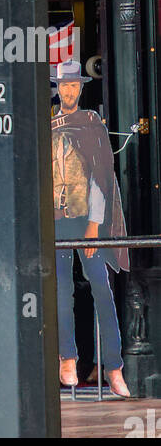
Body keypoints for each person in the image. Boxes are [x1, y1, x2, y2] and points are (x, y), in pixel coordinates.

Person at [51, 59, 130, 397]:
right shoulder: (48, 126)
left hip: (87, 220)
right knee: (60, 291)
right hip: (55, 220)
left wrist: (95, 225)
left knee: (102, 289)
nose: (69, 90)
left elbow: (100, 177)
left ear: (80, 88)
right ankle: (67, 357)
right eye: (64, 84)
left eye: (74, 85)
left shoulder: (90, 123)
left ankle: (113, 366)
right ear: (58, 87)